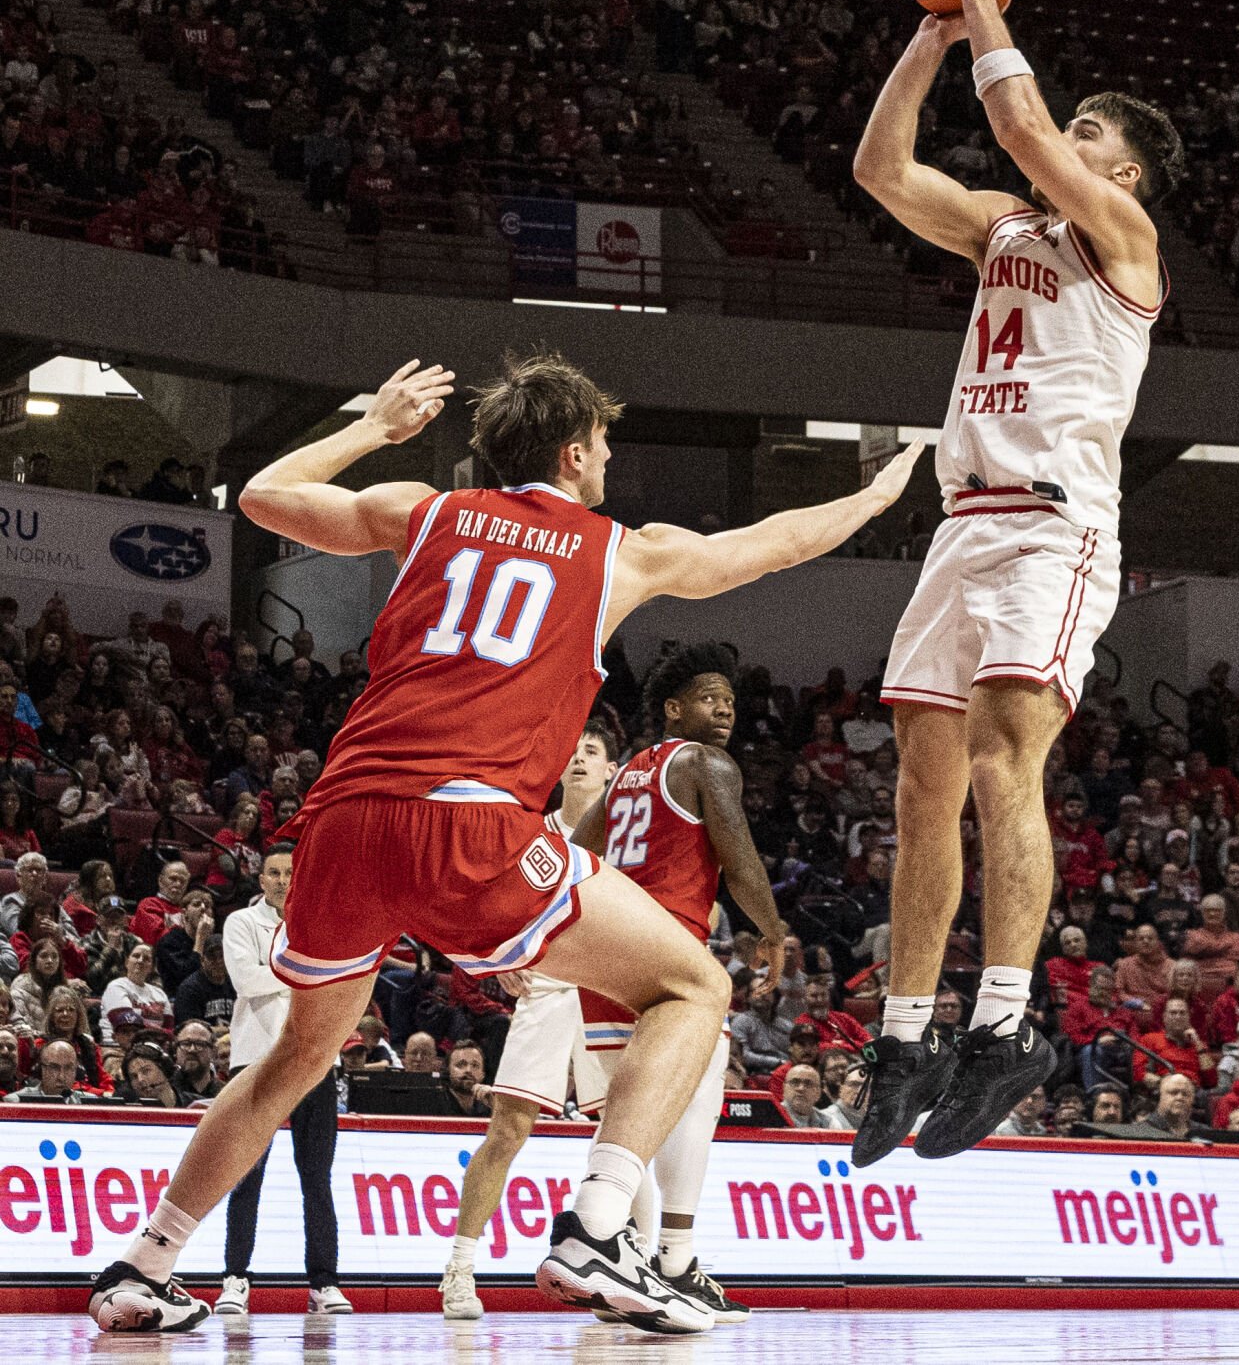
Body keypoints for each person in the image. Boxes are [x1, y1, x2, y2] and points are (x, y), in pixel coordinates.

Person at [90, 349, 919, 1335]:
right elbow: (771, 544)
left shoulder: (424, 512)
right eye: (602, 444)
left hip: (345, 816)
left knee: (293, 1058)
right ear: (572, 454)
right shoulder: (617, 551)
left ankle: (145, 1263)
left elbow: (266, 496)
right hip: (468, 820)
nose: (607, 459)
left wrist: (374, 427)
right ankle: (598, 1228)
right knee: (694, 985)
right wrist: (877, 495)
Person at [849, 0, 1184, 1167]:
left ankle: (1001, 1027)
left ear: (1122, 175)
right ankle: (902, 1038)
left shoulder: (1126, 241)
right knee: (921, 784)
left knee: (1002, 765)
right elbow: (881, 172)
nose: (1066, 137)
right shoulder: (1004, 227)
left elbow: (1022, 129)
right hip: (963, 523)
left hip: (1054, 528)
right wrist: (931, 32)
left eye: (1091, 134)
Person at [568, 642, 791, 1324]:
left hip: (602, 954)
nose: (724, 708)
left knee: (632, 1111)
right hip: (663, 954)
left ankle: (627, 1260)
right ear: (672, 708)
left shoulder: (624, 776)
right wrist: (772, 931)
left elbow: (576, 853)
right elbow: (740, 860)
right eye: (708, 697)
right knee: (694, 1093)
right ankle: (674, 1259)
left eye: (729, 699)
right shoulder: (704, 763)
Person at [439, 723, 619, 1321]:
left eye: (592, 752)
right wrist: (500, 960)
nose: (579, 759)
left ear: (612, 770)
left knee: (622, 1136)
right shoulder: (531, 831)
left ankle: (638, 1273)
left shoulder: (626, 837)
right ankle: (459, 1270)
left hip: (608, 991)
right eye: (572, 751)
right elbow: (486, 908)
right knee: (508, 1130)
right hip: (547, 991)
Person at [214, 844, 351, 1317]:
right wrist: (306, 975)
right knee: (245, 1175)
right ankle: (235, 1278)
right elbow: (246, 982)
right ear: (261, 881)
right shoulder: (240, 923)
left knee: (317, 1179)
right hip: (255, 1061)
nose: (281, 881)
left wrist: (297, 976)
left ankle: (324, 1283)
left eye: (289, 873)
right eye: (273, 873)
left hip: (315, 1062)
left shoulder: (323, 925)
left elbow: (339, 987)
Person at [4, 1038, 92, 1105]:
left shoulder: (90, 1103)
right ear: (41, 1069)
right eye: (54, 1068)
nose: (61, 1077)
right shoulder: (16, 1102)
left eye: (68, 1068)